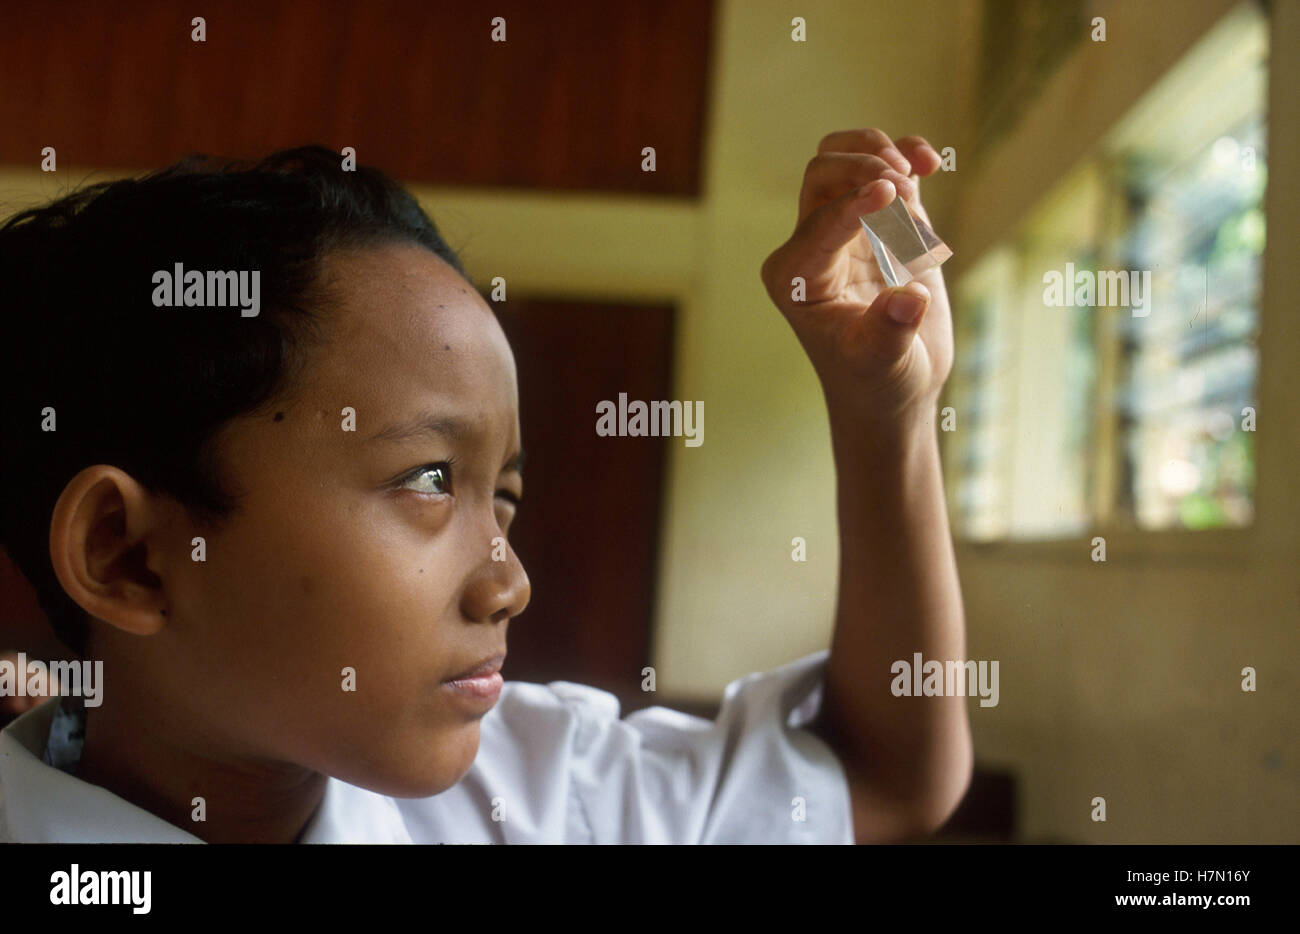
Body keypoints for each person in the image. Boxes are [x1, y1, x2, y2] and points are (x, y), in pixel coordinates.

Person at [0, 131, 971, 843]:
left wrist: (887, 418)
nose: (508, 584)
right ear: (125, 555)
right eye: (428, 478)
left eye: (501, 495)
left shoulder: (537, 793)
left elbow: (878, 785)